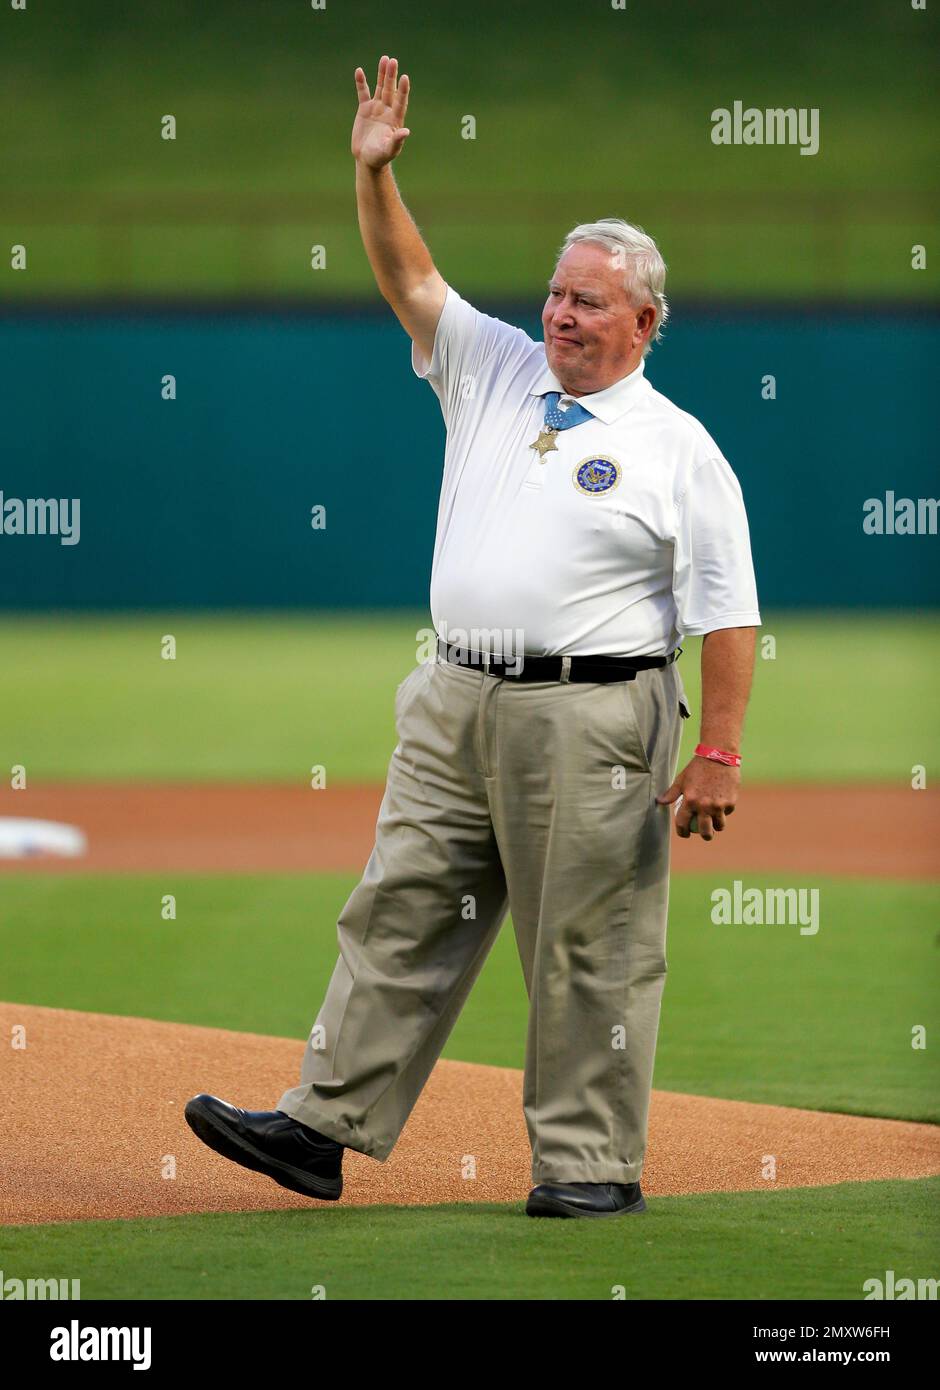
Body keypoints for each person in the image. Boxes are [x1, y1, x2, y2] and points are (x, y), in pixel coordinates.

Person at [185, 55, 761, 1220]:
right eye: (555, 292)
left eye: (588, 300)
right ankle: (322, 1123)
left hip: (594, 716)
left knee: (587, 945)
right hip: (453, 698)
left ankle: (588, 1165)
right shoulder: (495, 367)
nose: (559, 312)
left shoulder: (675, 444)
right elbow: (410, 279)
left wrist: (721, 750)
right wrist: (372, 174)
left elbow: (726, 611)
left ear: (645, 321)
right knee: (399, 904)